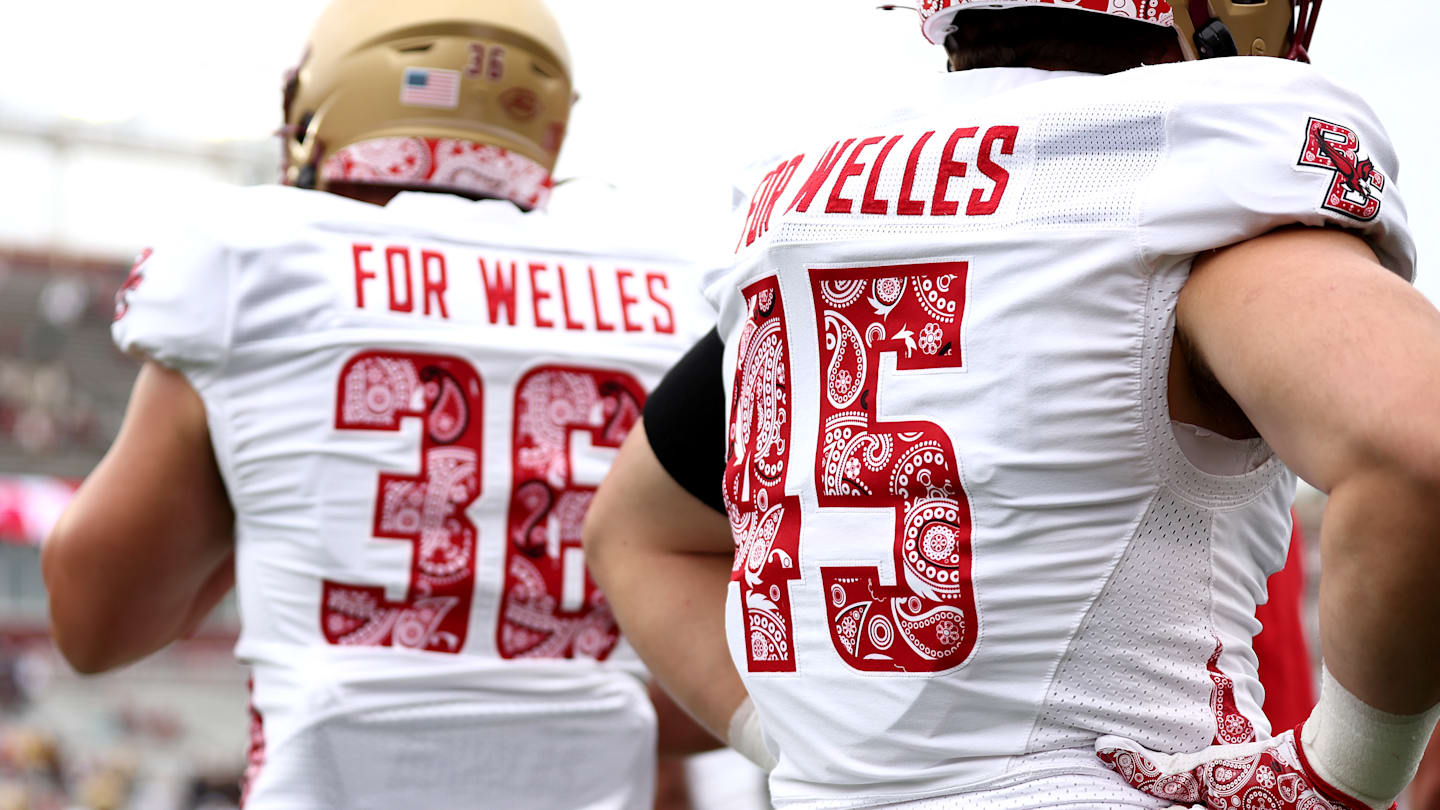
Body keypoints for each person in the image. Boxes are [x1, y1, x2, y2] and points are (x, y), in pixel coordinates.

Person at [584, 1, 1440, 808]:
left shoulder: (805, 221)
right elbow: (1418, 447)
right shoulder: (1188, 189)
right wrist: (1349, 770)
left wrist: (815, 750)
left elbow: (632, 533)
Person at [41, 0, 711, 806]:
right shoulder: (677, 288)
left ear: (324, 103)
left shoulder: (259, 259)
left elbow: (93, 625)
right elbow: (701, 690)